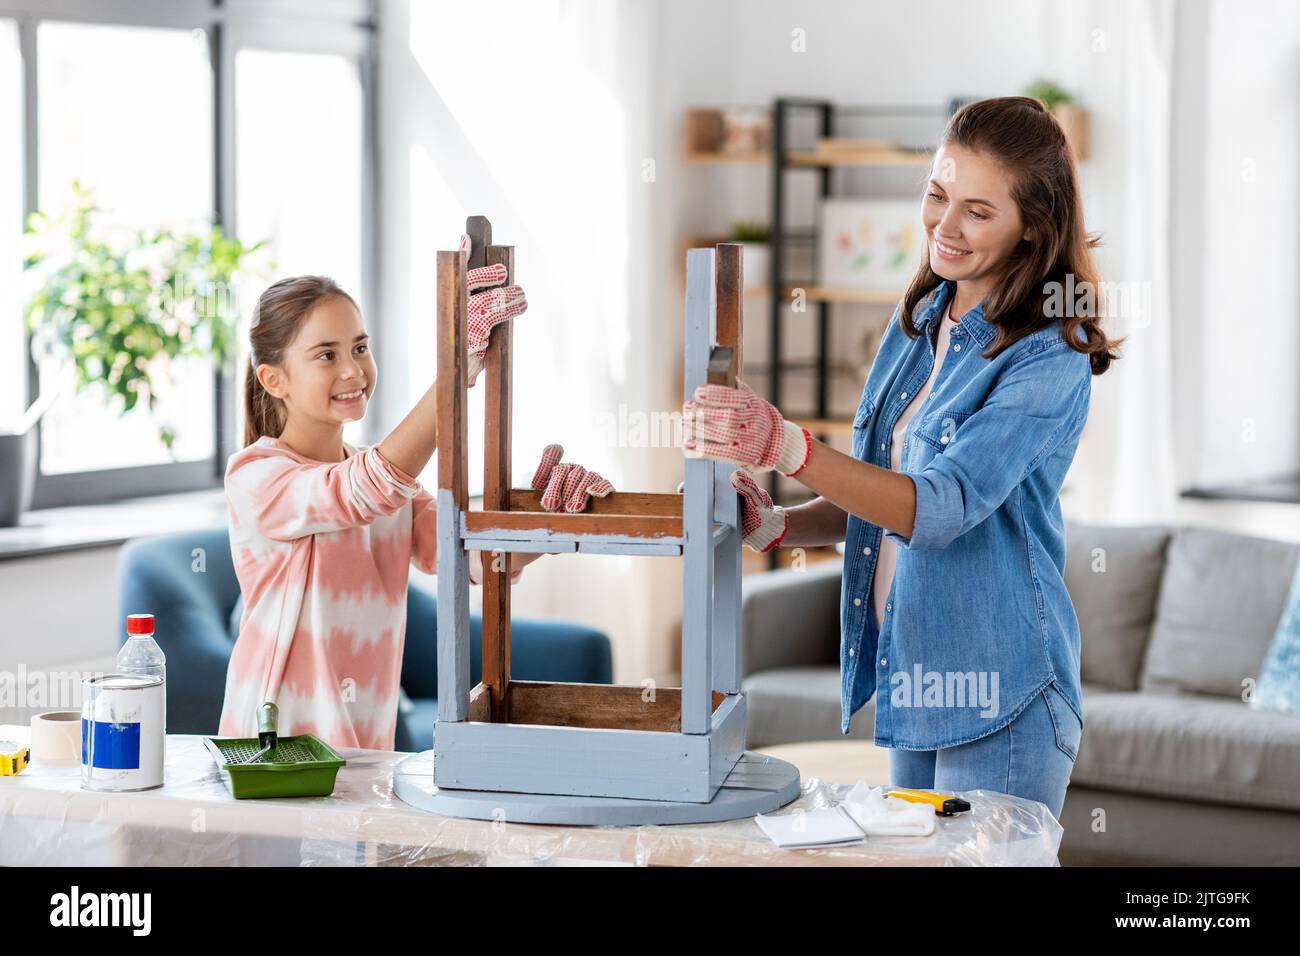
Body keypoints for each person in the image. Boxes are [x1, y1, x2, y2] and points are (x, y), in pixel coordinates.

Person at [682, 96, 1123, 819]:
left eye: (979, 212)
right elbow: (885, 496)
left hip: (1004, 695)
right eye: (938, 195)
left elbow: (939, 508)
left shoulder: (1048, 354)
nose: (944, 228)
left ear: (1031, 227)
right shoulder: (919, 320)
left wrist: (786, 446)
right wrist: (782, 525)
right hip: (914, 680)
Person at [219, 234, 612, 750]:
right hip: (273, 742)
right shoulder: (257, 475)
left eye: (360, 347)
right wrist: (456, 369)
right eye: (325, 355)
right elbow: (361, 492)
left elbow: (474, 557)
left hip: (366, 745)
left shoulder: (378, 481)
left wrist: (549, 517)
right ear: (275, 380)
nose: (353, 370)